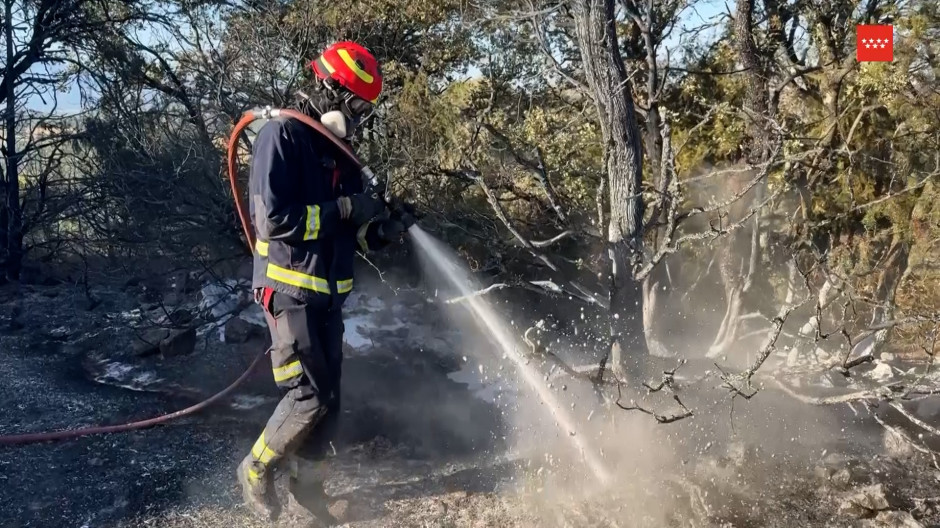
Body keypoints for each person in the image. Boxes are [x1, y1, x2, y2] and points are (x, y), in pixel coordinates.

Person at [237, 41, 414, 523]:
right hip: (289, 290)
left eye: (366, 110)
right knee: (307, 395)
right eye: (356, 105)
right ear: (330, 89)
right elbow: (273, 221)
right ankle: (255, 469)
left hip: (327, 297)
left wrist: (386, 230)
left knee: (329, 402)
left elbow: (354, 236)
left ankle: (308, 489)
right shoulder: (282, 136)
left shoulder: (341, 156)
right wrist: (343, 208)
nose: (359, 118)